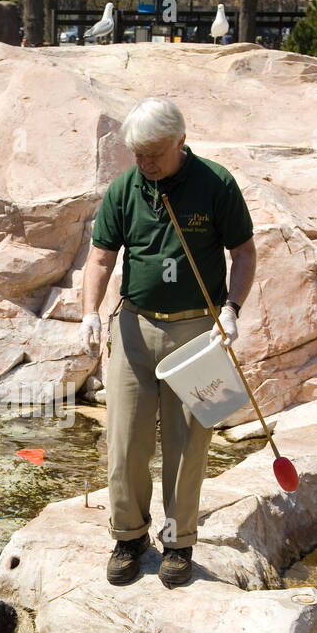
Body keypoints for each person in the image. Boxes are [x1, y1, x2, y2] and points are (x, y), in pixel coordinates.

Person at [82, 97, 256, 588]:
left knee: (190, 442)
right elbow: (99, 259)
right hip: (135, 327)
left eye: (155, 153)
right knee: (125, 440)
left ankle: (179, 542)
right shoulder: (123, 189)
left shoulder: (217, 183)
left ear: (181, 141)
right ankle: (128, 535)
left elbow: (243, 251)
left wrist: (232, 308)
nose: (145, 163)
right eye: (138, 154)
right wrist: (89, 314)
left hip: (199, 330)